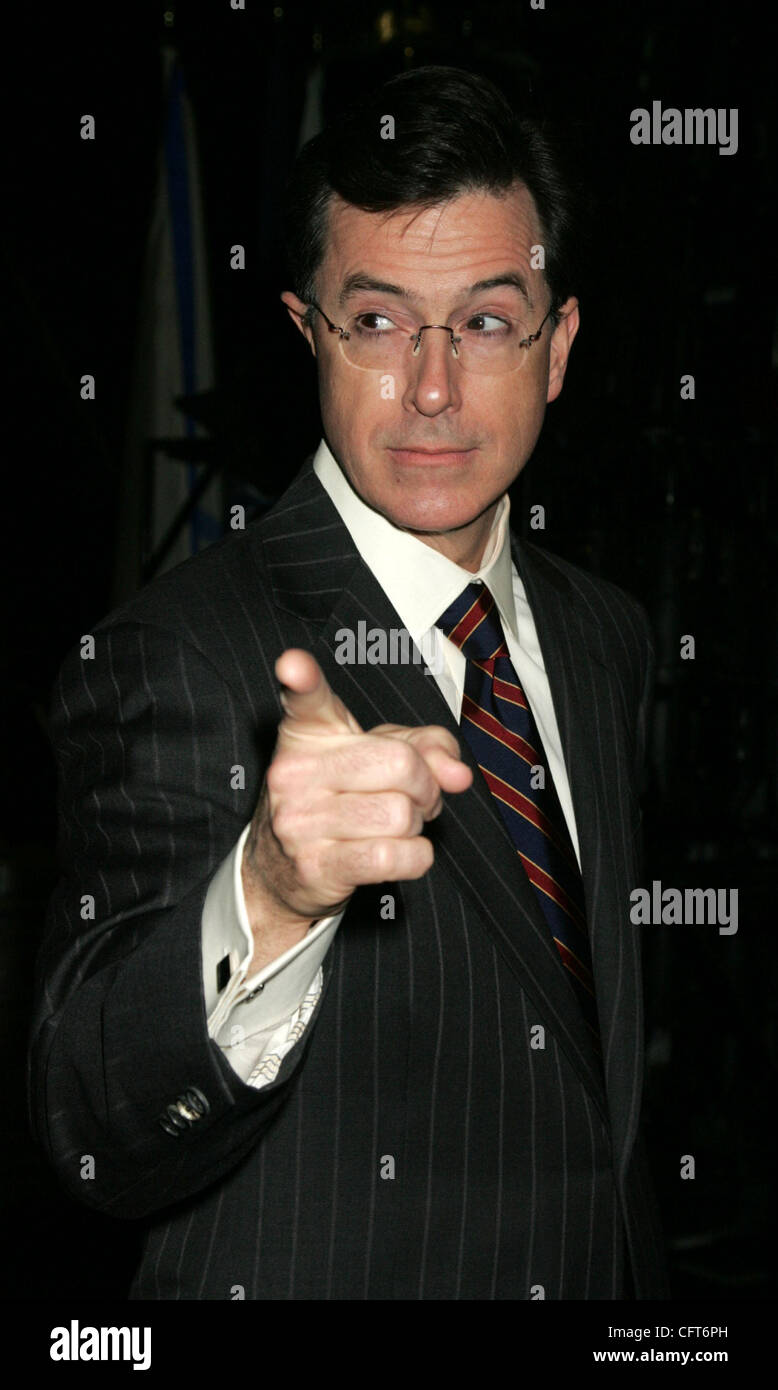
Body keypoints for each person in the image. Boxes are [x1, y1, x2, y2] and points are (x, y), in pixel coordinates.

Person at [28, 65, 668, 1300]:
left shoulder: (606, 635)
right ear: (305, 332)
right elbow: (92, 1127)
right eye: (376, 322)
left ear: (558, 347)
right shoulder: (177, 650)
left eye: (485, 321)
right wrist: (269, 894)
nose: (431, 389)